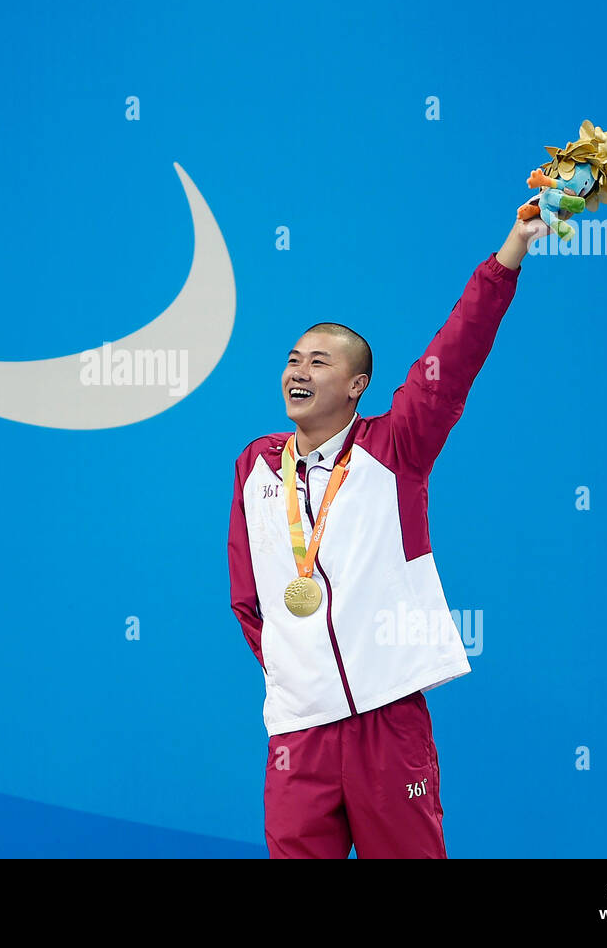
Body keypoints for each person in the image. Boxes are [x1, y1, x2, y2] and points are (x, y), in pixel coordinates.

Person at [228, 191, 570, 858]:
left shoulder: (396, 449)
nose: (299, 370)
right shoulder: (253, 467)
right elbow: (248, 596)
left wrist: (511, 252)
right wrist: (296, 671)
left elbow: (456, 354)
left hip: (389, 718)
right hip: (298, 732)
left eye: (319, 362)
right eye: (293, 359)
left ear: (357, 386)